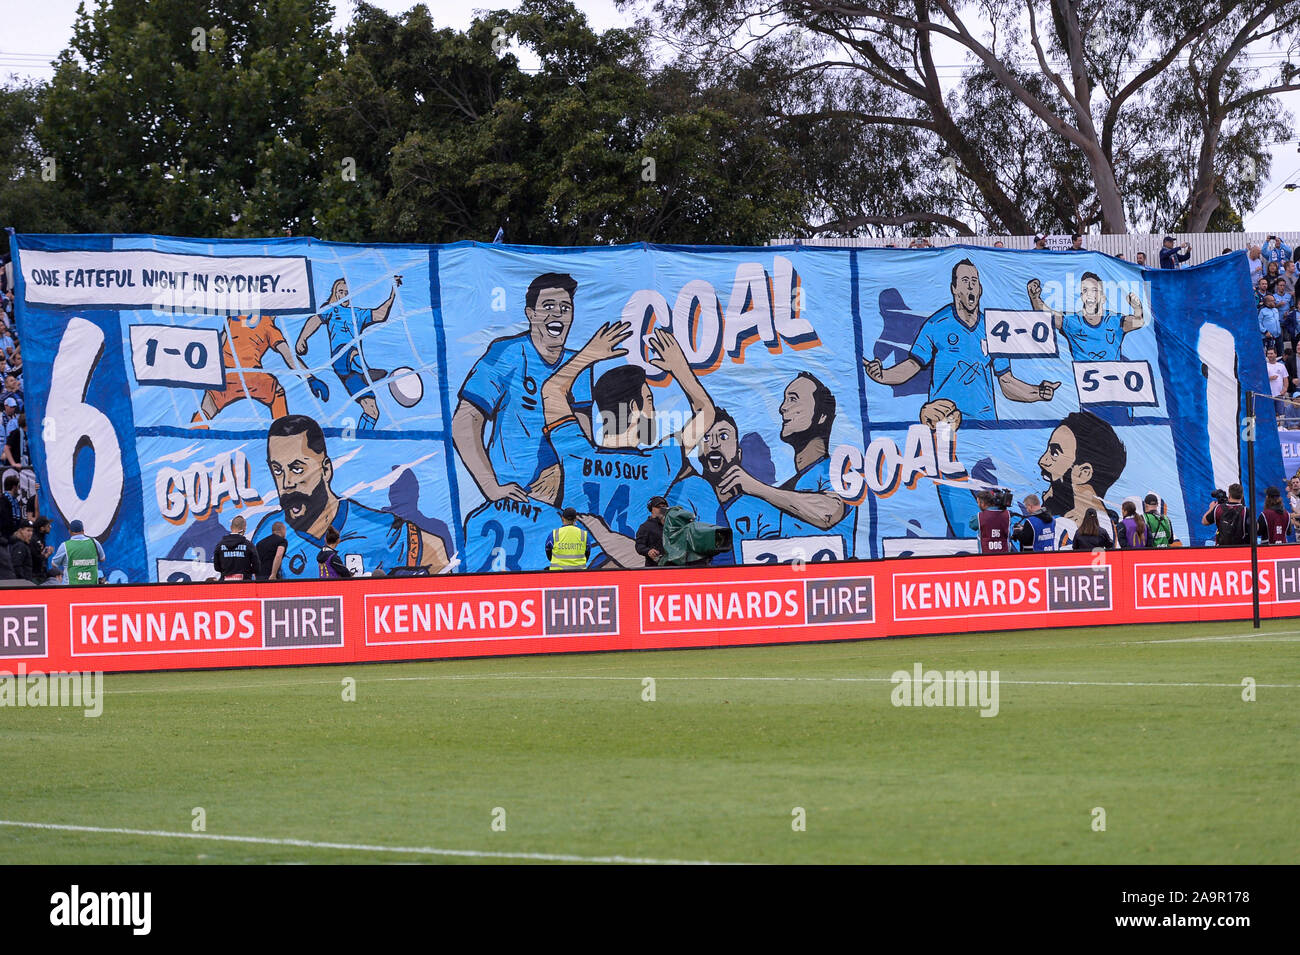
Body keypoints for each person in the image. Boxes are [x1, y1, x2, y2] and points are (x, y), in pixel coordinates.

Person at [540, 323, 715, 568]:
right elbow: (705, 411)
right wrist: (679, 368)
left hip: (586, 581)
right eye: (650, 400)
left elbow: (551, 390)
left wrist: (590, 354)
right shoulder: (660, 462)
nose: (654, 411)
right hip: (634, 578)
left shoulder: (576, 454)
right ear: (634, 407)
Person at [452, 272, 594, 506]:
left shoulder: (578, 364)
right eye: (548, 306)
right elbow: (464, 423)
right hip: (515, 501)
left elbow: (582, 436)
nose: (557, 312)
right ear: (531, 314)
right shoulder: (506, 353)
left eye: (565, 307)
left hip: (564, 500)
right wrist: (491, 487)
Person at [252, 414, 450, 577]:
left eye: (297, 469)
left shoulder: (377, 527)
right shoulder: (267, 532)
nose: (286, 483)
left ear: (326, 470)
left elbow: (437, 554)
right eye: (277, 471)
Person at [864, 259, 1060, 423]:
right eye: (965, 280)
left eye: (974, 280)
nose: (971, 285)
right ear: (954, 288)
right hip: (944, 423)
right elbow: (912, 366)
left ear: (981, 289)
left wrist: (1039, 392)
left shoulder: (994, 328)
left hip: (985, 425)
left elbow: (1007, 383)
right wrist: (882, 376)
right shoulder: (936, 324)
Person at [295, 275, 402, 430]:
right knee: (351, 351)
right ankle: (366, 371)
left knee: (372, 410)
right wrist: (302, 339)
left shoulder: (357, 313)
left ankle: (363, 437)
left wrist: (393, 293)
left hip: (352, 372)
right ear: (335, 293)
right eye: (340, 291)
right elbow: (315, 320)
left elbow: (380, 314)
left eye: (346, 292)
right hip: (341, 357)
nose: (343, 295)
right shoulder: (331, 309)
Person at [1027, 271, 1145, 362]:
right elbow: (1047, 315)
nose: (1090, 294)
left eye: (1095, 290)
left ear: (1103, 298)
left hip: (1115, 384)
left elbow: (1138, 322)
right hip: (1085, 389)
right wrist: (1035, 298)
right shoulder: (1072, 322)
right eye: (1085, 290)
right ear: (1081, 296)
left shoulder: (1114, 320)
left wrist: (1137, 308)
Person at [50, 519, 105, 585]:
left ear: (69, 531)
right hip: (91, 586)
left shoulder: (64, 546)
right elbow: (102, 559)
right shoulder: (94, 542)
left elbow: (54, 564)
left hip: (71, 588)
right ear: (83, 531)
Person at [213, 514, 261, 581]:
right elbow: (256, 567)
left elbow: (217, 567)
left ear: (231, 527)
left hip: (225, 584)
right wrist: (246, 573)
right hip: (244, 583)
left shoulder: (220, 545)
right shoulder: (249, 545)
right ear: (244, 528)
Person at [968, 490, 1011, 554]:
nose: (978, 505)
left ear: (983, 503)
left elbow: (972, 525)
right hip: (1004, 555)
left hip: (986, 556)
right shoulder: (1007, 514)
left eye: (978, 502)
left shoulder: (979, 517)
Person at [634, 497, 668, 567]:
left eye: (664, 507)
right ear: (651, 509)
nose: (662, 509)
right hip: (654, 567)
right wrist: (648, 551)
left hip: (673, 567)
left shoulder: (672, 525)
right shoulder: (645, 527)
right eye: (658, 507)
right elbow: (639, 545)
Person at [8, 518, 36, 582]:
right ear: (21, 530)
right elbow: (16, 566)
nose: (30, 533)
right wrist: (23, 582)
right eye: (28, 530)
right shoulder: (20, 546)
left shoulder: (22, 544)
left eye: (32, 531)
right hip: (22, 585)